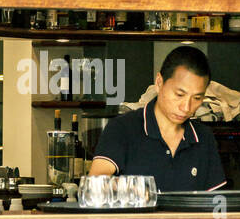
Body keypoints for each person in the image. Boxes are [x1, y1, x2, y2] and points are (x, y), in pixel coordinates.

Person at [90, 44, 225, 192]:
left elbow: (215, 203)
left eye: (197, 98)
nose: (186, 107)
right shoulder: (122, 129)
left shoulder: (203, 138)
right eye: (179, 95)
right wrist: (138, 191)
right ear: (159, 83)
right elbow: (95, 185)